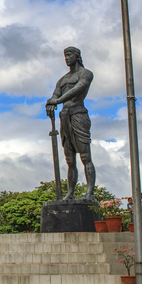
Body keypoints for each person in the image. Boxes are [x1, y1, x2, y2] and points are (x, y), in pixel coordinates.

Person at [46, 46, 97, 201]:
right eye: (65, 56)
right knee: (69, 159)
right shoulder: (62, 80)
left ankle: (89, 192)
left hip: (78, 114)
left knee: (85, 156)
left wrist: (58, 101)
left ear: (77, 56)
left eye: (69, 55)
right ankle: (70, 193)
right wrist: (50, 103)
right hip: (64, 117)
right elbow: (55, 95)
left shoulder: (85, 73)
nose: (67, 58)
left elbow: (78, 89)